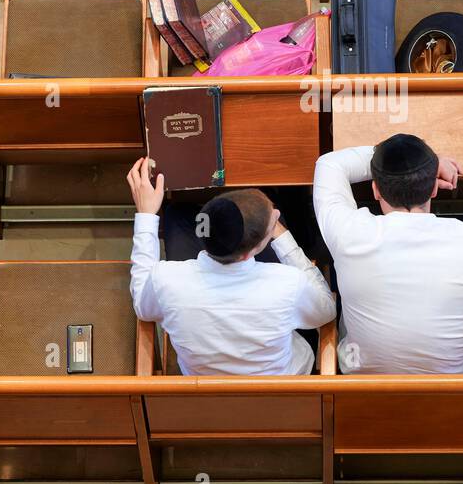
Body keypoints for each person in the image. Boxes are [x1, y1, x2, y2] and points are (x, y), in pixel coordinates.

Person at [126, 157, 336, 376]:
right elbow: (326, 312)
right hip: (283, 390)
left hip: (207, 396)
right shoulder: (288, 283)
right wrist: (282, 235)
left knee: (176, 214)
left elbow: (142, 305)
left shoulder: (166, 280)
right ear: (251, 252)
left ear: (203, 233)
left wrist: (147, 215)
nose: (275, 215)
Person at [312, 135, 463, 374]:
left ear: (375, 189)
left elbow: (330, 164)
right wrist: (421, 165)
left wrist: (397, 165)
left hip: (362, 382)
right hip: (454, 386)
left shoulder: (348, 233)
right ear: (434, 188)